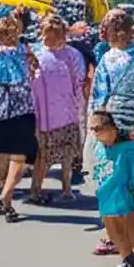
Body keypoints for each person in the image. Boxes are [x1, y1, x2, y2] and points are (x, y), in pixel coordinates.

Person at [89, 9, 134, 260]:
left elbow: (98, 95)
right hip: (129, 124)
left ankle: (124, 245)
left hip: (109, 123)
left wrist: (95, 124)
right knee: (131, 183)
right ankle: (133, 242)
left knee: (111, 182)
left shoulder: (108, 57)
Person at [0, 17, 37, 221]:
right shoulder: (24, 54)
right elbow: (31, 77)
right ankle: (6, 195)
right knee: (19, 157)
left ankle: (6, 200)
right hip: (19, 110)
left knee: (0, 155)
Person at [89, 110, 134, 267]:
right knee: (113, 232)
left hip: (128, 195)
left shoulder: (130, 149)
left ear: (112, 129)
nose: (96, 133)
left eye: (99, 129)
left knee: (133, 235)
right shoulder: (98, 149)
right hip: (108, 195)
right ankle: (128, 261)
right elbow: (97, 170)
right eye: (93, 130)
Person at [30, 16, 86, 204]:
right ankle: (38, 188)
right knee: (47, 154)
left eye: (53, 36)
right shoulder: (40, 55)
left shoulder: (69, 55)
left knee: (63, 154)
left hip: (63, 112)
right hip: (49, 114)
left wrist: (79, 107)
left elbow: (78, 82)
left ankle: (64, 188)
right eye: (47, 36)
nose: (49, 40)